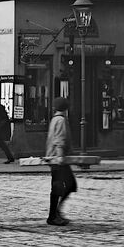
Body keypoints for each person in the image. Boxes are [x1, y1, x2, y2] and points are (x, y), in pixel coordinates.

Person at [45, 97, 77, 226]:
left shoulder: (55, 119)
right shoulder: (61, 120)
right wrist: (60, 157)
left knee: (59, 187)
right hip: (58, 159)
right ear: (66, 108)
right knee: (68, 185)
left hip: (55, 157)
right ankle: (54, 215)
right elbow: (59, 140)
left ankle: (55, 214)